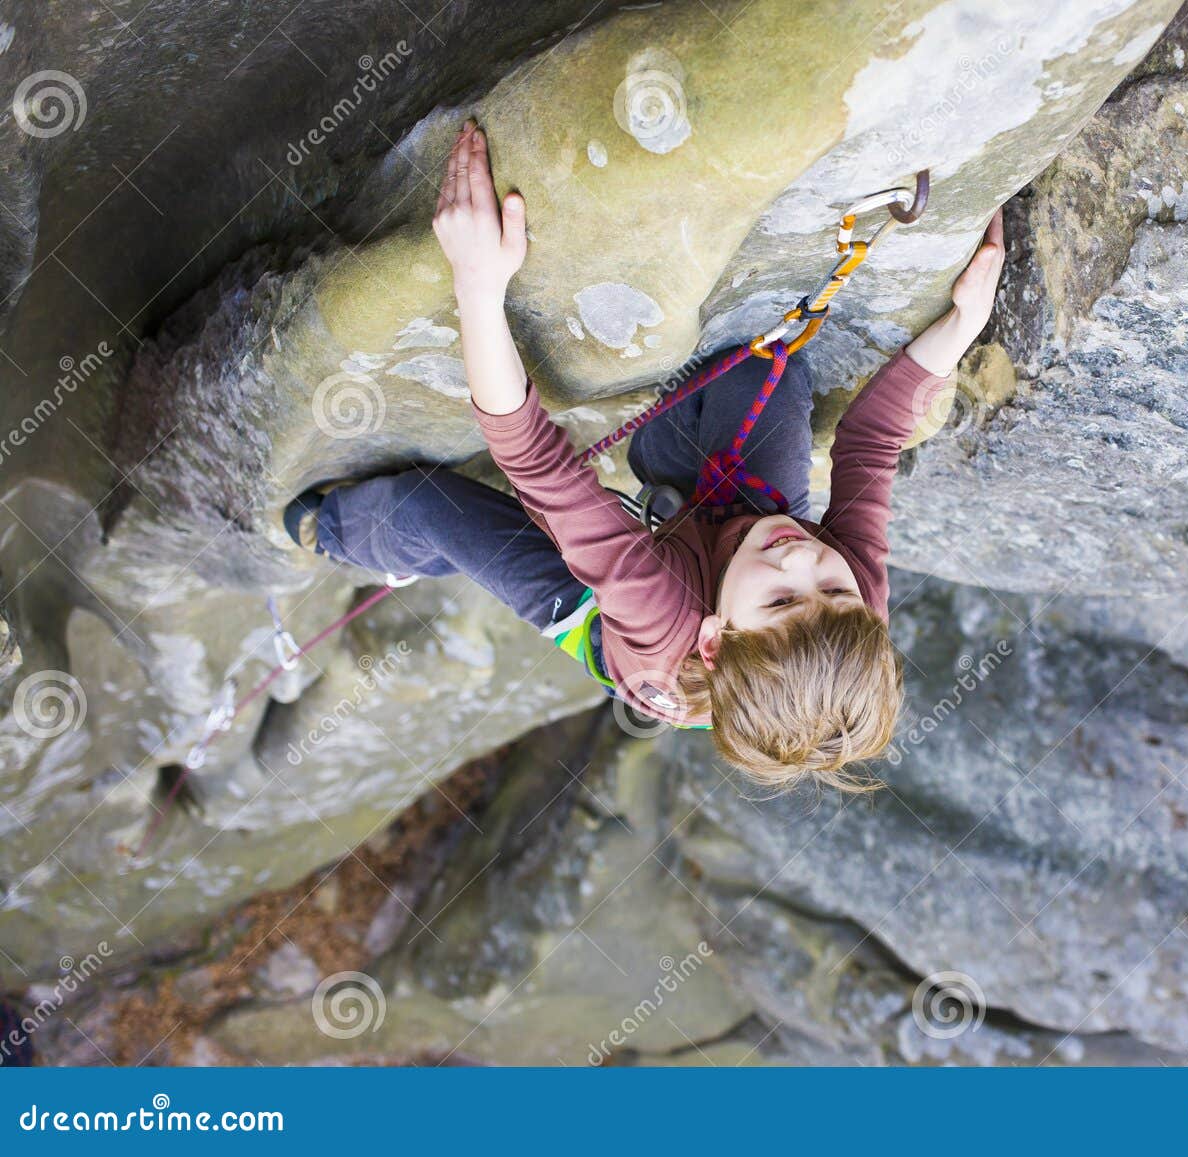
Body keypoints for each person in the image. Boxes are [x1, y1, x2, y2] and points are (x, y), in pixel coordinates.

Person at [285, 121, 1005, 792]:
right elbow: (871, 443)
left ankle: (340, 533)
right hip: (723, 536)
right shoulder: (853, 609)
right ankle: (664, 470)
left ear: (718, 643)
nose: (803, 561)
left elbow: (534, 461)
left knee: (429, 507)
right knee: (767, 370)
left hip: (607, 618)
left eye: (782, 599)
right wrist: (963, 324)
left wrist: (478, 282)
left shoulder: (660, 620)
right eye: (832, 586)